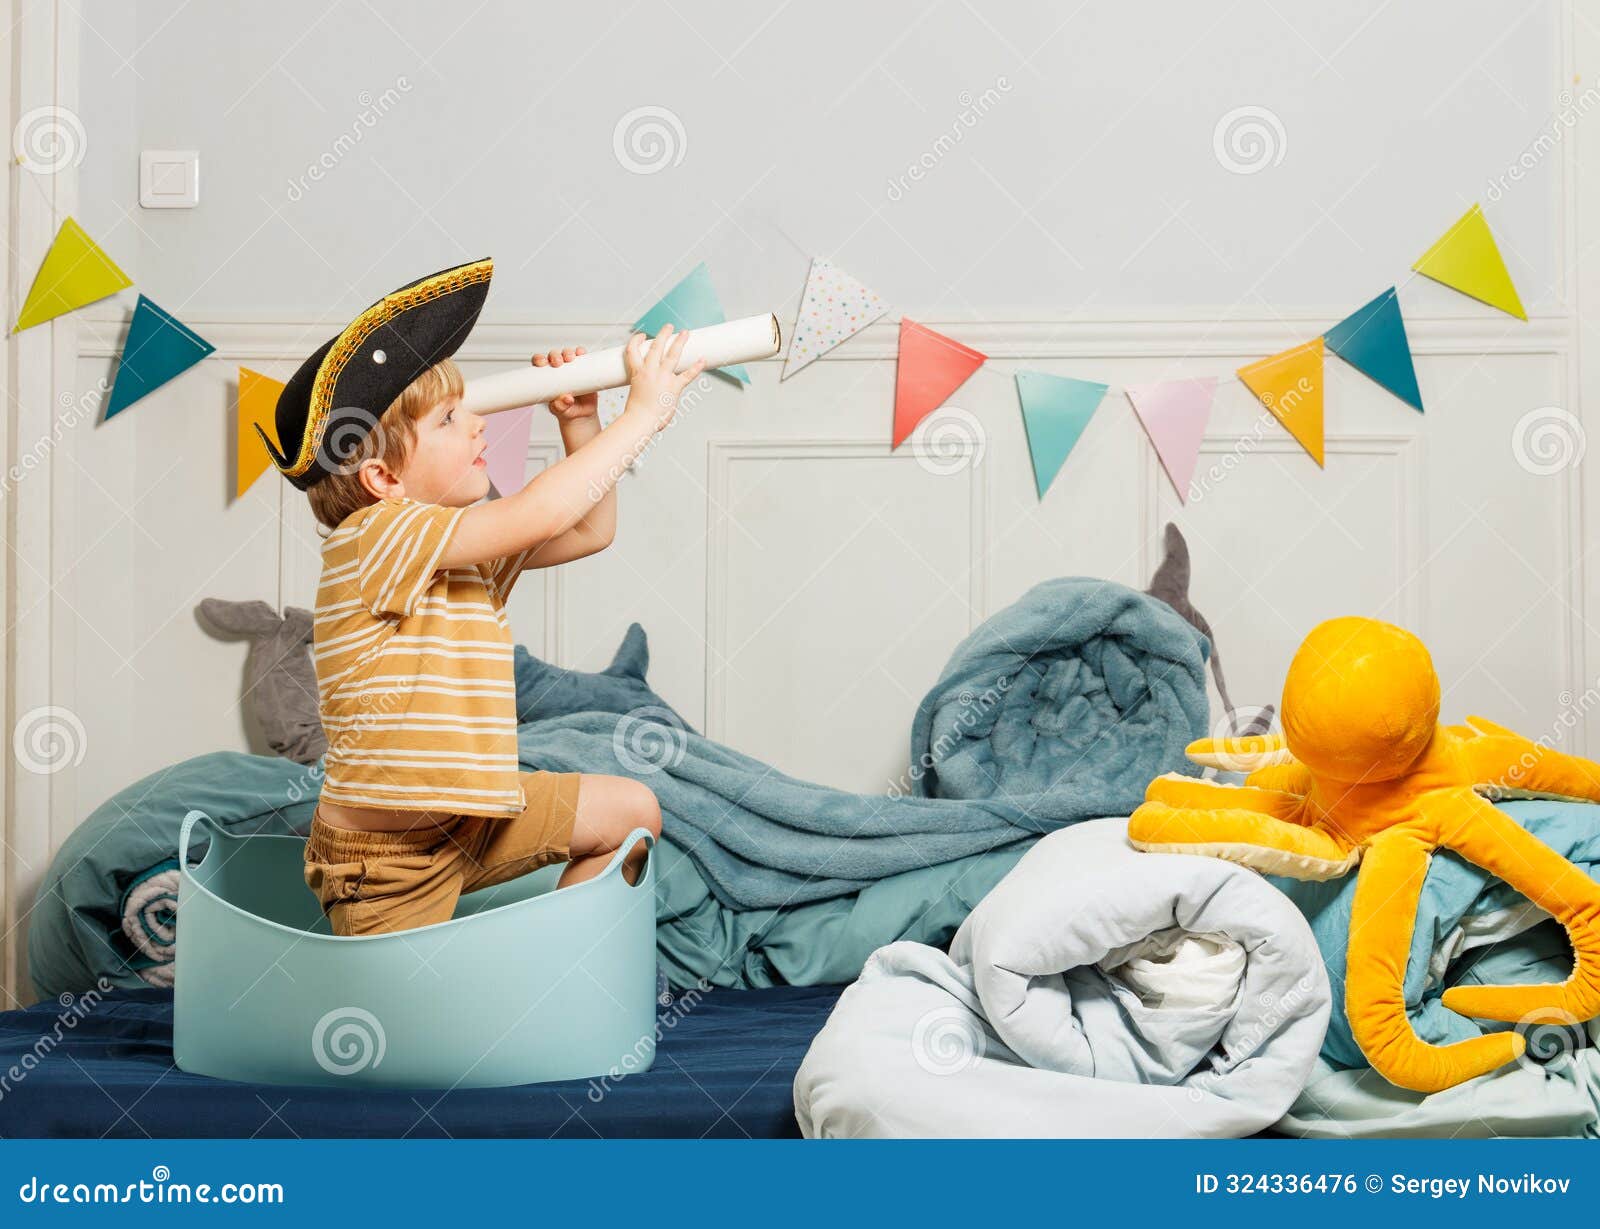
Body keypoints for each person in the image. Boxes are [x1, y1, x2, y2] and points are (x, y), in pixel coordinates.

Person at [253, 256, 703, 935]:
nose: (478, 424)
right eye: (449, 418)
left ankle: (556, 970)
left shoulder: (460, 547)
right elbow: (542, 515)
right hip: (386, 859)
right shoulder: (374, 536)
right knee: (406, 1039)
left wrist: (579, 424)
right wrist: (642, 417)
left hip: (478, 817)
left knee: (633, 813)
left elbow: (587, 527)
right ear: (382, 477)